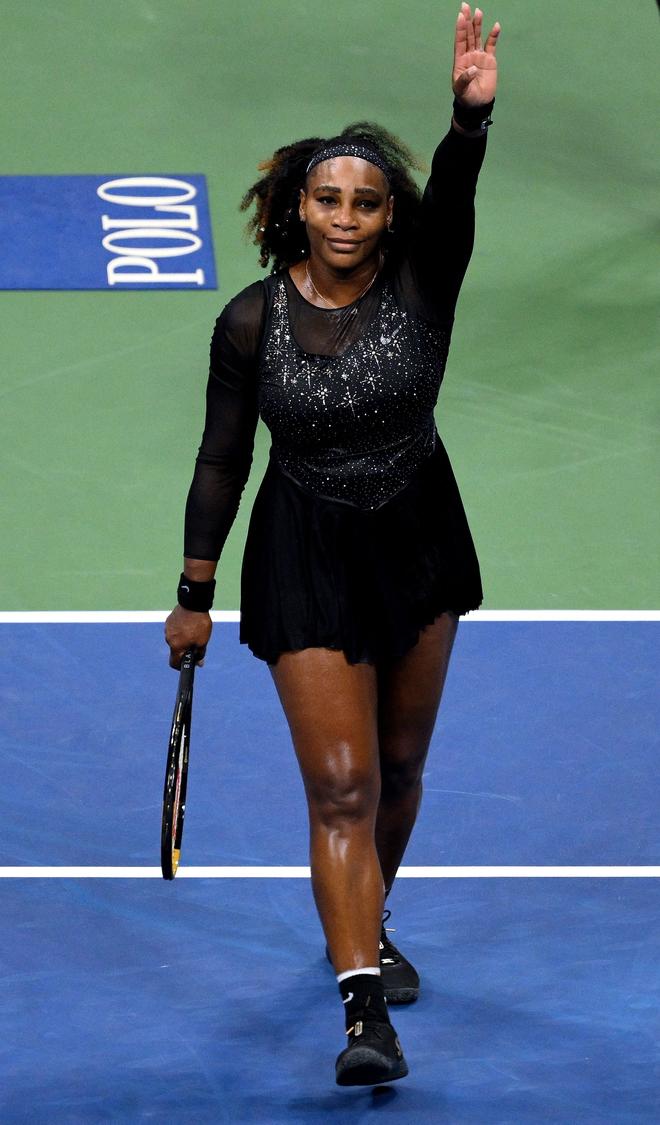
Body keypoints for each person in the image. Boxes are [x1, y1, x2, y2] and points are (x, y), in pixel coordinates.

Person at [166, 3, 500, 1087]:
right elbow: (222, 461)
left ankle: (369, 917)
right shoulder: (249, 324)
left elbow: (458, 198)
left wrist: (467, 120)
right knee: (345, 787)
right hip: (304, 551)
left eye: (366, 202)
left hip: (417, 538)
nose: (346, 218)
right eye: (328, 199)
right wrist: (194, 591)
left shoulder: (421, 286)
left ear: (388, 216)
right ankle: (364, 1013)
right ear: (296, 208)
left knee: (401, 770)